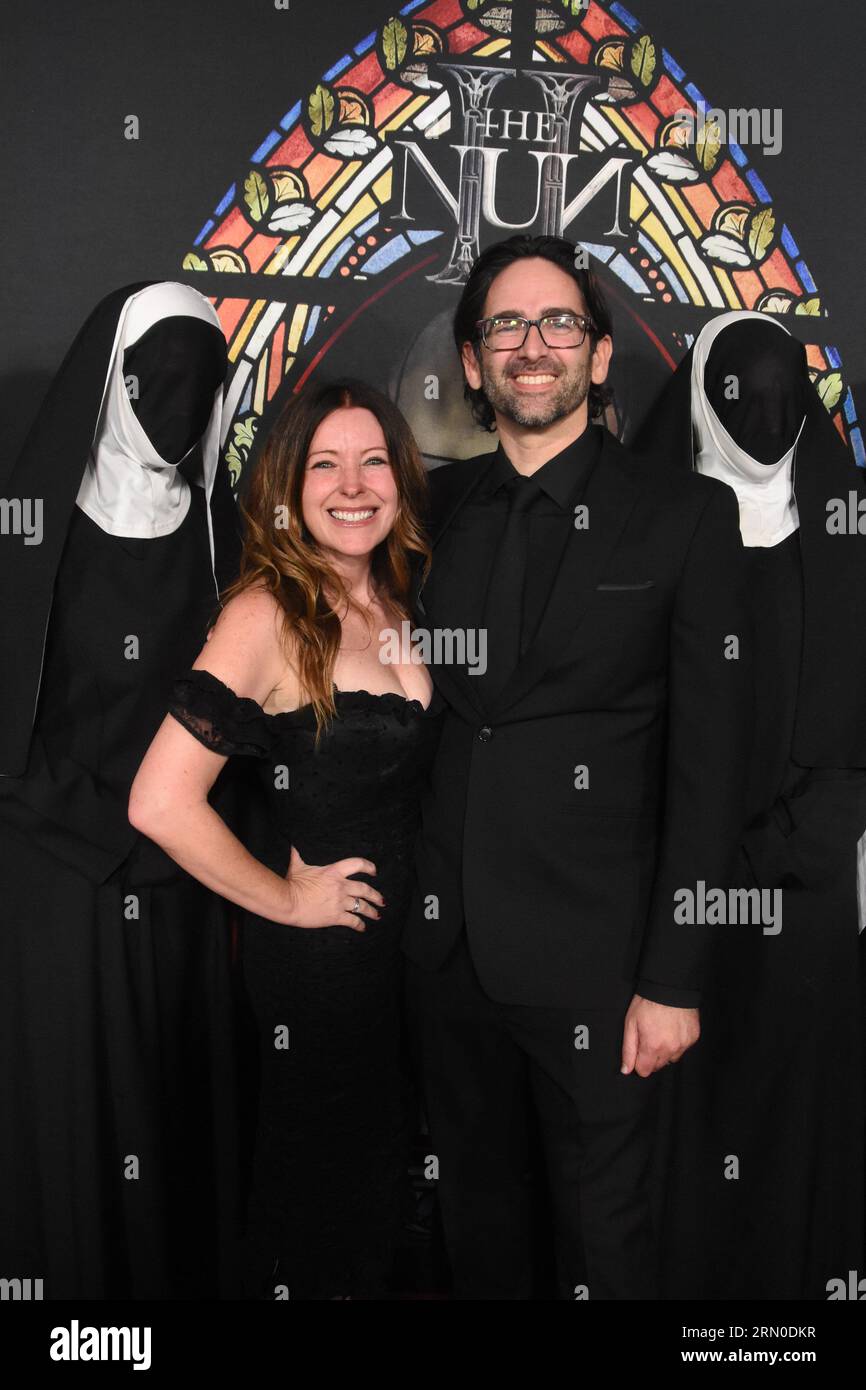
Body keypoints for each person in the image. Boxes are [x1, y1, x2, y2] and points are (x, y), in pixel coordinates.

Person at [402, 233, 751, 1300]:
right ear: (470, 363)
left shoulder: (685, 517)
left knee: (605, 1249)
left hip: (604, 974)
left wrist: (672, 978)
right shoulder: (431, 509)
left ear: (599, 356)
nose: (531, 345)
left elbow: (711, 764)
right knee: (477, 1235)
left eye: (557, 322)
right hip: (446, 955)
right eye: (504, 325)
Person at [130, 378, 445, 1300]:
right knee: (324, 1199)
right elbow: (159, 801)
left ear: (401, 477)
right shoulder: (266, 615)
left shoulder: (402, 601)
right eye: (325, 466)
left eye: (374, 460)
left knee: (397, 1189)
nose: (353, 485)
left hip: (411, 959)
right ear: (289, 488)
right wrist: (286, 898)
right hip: (320, 971)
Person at [0, 281, 242, 1298]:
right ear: (115, 380)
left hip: (182, 884)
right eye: (159, 378)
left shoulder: (223, 542)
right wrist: (95, 825)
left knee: (170, 1102)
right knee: (70, 1110)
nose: (178, 404)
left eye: (202, 381)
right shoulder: (30, 531)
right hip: (56, 870)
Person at [635, 309, 866, 1299]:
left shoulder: (851, 531)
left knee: (792, 1119)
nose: (764, 415)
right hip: (667, 887)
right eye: (740, 393)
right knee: (671, 1121)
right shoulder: (647, 528)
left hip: (807, 884)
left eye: (783, 393)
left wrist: (803, 836)